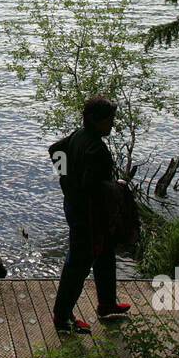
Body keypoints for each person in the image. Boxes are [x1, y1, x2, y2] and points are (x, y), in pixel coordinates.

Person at [49, 95, 133, 333]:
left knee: (105, 255)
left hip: (76, 207)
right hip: (89, 217)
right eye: (110, 120)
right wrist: (117, 186)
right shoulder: (96, 149)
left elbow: (55, 150)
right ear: (96, 120)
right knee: (78, 263)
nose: (112, 124)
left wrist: (65, 180)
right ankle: (61, 316)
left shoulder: (79, 135)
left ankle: (107, 303)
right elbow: (91, 188)